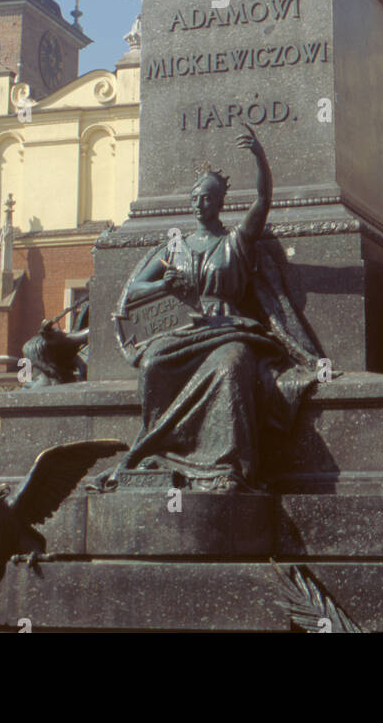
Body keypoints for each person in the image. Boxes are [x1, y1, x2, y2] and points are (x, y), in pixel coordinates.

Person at [104, 125, 321, 491]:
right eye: (194, 197)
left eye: (206, 197)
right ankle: (160, 452)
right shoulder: (175, 246)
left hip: (227, 327)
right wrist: (163, 283)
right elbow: (136, 287)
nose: (198, 203)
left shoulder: (236, 241)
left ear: (220, 201)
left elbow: (263, 201)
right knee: (154, 363)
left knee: (232, 365)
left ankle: (225, 465)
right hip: (183, 331)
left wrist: (260, 159)